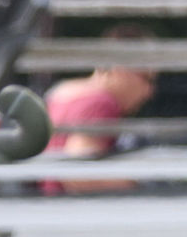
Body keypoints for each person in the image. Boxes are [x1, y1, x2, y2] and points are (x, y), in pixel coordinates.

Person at [42, 58, 156, 194]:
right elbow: (79, 176)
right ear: (119, 70)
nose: (149, 91)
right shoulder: (101, 102)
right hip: (72, 208)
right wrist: (142, 183)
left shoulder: (62, 92)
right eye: (145, 78)